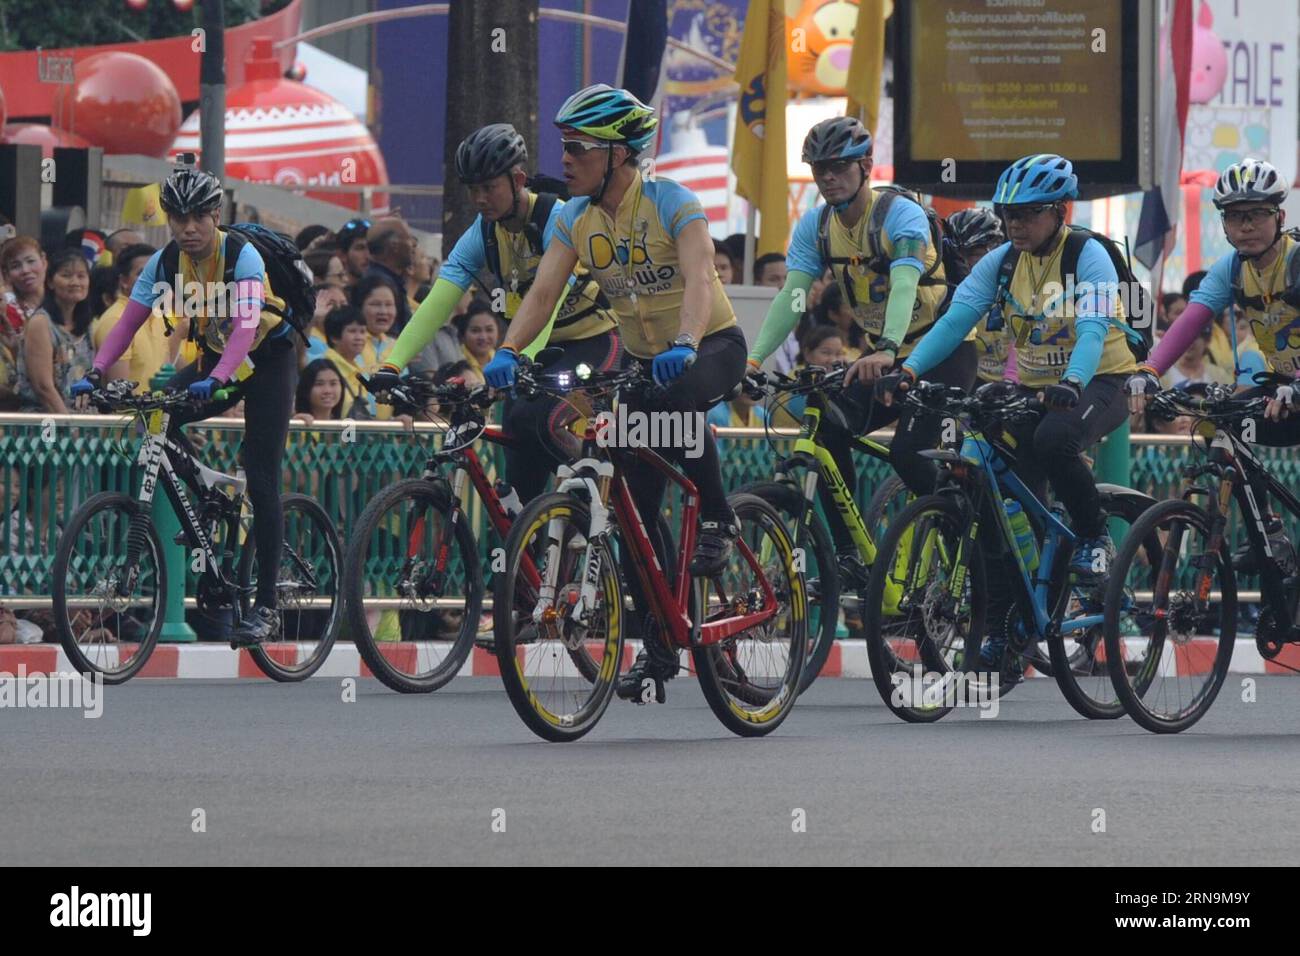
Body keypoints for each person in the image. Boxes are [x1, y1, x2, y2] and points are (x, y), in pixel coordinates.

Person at [480, 85, 744, 699]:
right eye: (564, 147)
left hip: (708, 347)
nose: (565, 159)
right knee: (632, 515)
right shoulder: (574, 218)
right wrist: (507, 350)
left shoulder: (674, 203)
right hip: (642, 364)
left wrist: (684, 339)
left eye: (577, 148)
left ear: (620, 155)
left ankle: (721, 519)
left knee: (676, 407)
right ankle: (658, 646)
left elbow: (702, 277)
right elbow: (541, 296)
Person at [881, 153, 1136, 669]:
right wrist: (908, 371)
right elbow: (954, 324)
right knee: (985, 493)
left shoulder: (1088, 254)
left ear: (1060, 211)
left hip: (1099, 379)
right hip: (1038, 387)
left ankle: (1093, 539)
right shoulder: (1000, 264)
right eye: (1008, 215)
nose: (1015, 225)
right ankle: (1004, 626)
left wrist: (1073, 381)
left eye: (1029, 214)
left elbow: (1091, 328)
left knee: (1053, 442)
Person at [70, 163, 299, 645]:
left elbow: (243, 327)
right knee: (158, 415)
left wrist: (216, 377)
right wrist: (95, 372)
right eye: (178, 218)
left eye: (198, 216)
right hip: (217, 359)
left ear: (216, 214)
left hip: (268, 362)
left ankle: (267, 606)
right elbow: (128, 323)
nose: (188, 228)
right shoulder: (165, 262)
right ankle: (209, 495)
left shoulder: (244, 257)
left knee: (261, 476)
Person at [746, 115, 973, 587]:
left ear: (866, 165)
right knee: (827, 422)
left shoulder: (901, 215)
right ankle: (852, 557)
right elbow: (793, 295)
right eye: (818, 168)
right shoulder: (816, 225)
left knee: (912, 454)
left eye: (838, 166)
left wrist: (889, 347)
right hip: (883, 356)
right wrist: (753, 358)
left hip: (942, 351)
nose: (827, 176)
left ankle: (968, 532)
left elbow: (906, 283)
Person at [369, 122, 621, 506]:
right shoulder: (482, 234)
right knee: (518, 473)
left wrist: (516, 355)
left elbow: (545, 303)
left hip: (595, 341)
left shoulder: (560, 219)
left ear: (518, 179)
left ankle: (599, 493)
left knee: (538, 420)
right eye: (473, 189)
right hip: (531, 350)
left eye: (489, 187)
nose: (480, 198)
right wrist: (391, 364)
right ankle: (530, 542)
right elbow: (438, 302)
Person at [1129, 157, 1300, 569]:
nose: (1245, 226)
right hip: (1280, 388)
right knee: (1216, 423)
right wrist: (1150, 370)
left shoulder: (1296, 261)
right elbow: (1190, 321)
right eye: (1235, 216)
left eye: (1256, 215)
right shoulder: (1232, 269)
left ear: (1278, 216)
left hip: (1293, 387)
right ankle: (1270, 534)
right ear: (1223, 223)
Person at [17, 248, 94, 413]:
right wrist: (69, 426)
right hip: (48, 425)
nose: (75, 282)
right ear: (50, 282)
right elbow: (43, 387)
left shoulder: (88, 325)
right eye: (66, 275)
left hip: (85, 426)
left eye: (81, 276)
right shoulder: (41, 323)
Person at [946, 207, 1013, 385]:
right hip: (970, 379)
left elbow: (1025, 333)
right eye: (958, 256)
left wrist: (1011, 377)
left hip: (1018, 380)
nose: (965, 263)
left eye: (973, 255)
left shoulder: (1014, 282)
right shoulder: (948, 291)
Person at [92, 242, 170, 394]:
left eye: (158, 272)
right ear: (124, 281)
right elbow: (119, 392)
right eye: (143, 273)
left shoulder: (161, 316)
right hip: (129, 416)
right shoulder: (114, 320)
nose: (153, 279)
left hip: (158, 414)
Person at [363, 218, 416, 333]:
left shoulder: (393, 280)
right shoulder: (378, 283)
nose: (413, 247)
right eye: (409, 240)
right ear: (394, 246)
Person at [321, 305, 370, 418]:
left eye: (362, 331)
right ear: (334, 337)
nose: (359, 337)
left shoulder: (361, 371)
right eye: (352, 331)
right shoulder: (324, 366)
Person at [294, 358, 346, 424]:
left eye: (333, 383)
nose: (327, 391)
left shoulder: (345, 427)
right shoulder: (295, 425)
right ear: (306, 388)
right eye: (319, 384)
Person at [335, 218, 370, 285]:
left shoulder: (386, 291)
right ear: (342, 255)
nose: (368, 256)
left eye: (371, 248)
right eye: (360, 248)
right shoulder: (331, 293)